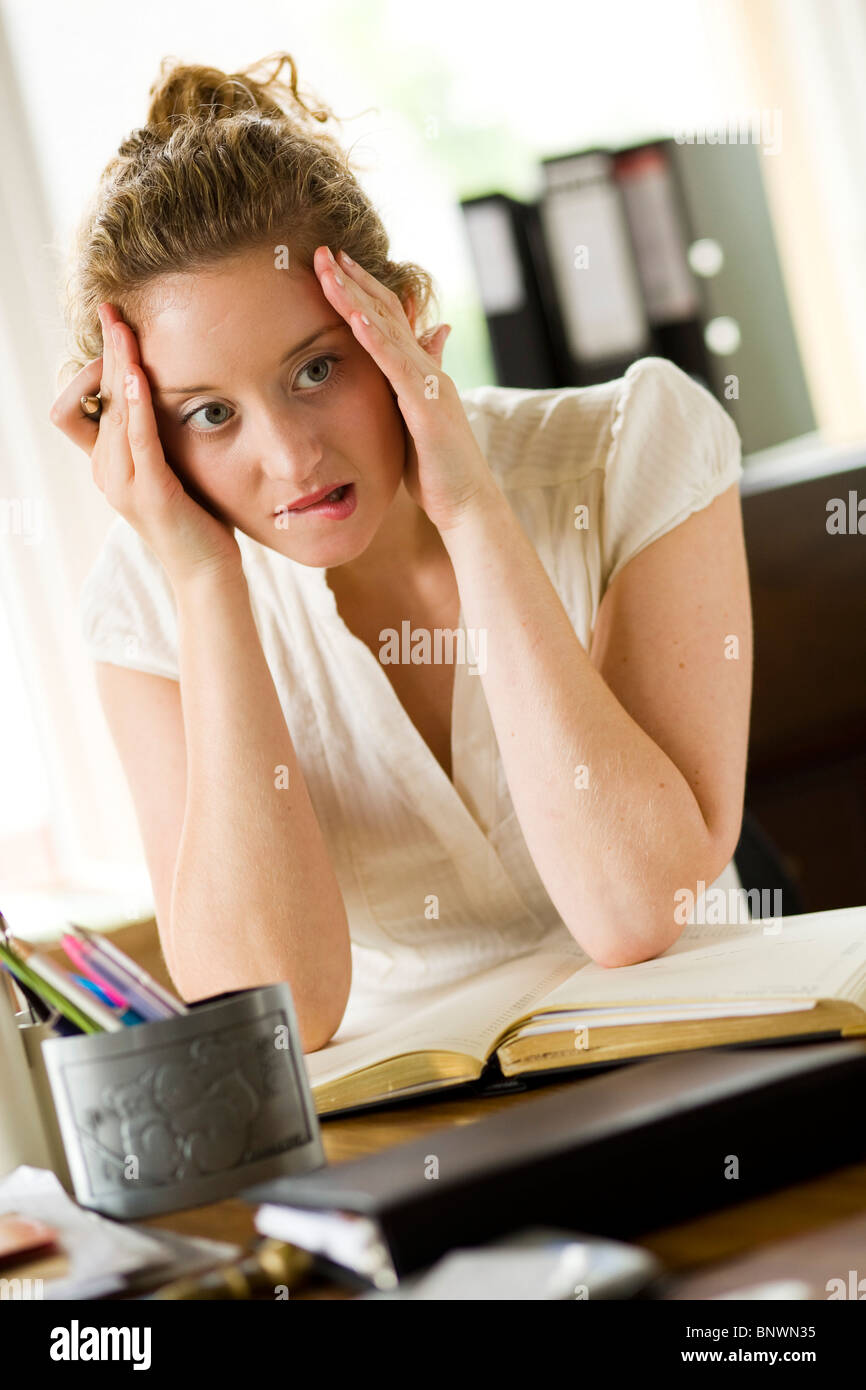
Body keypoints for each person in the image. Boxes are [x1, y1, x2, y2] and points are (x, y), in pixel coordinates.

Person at [49, 53, 752, 1054]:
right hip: (414, 1140)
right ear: (139, 436)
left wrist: (470, 509)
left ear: (397, 315)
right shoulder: (144, 604)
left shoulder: (632, 449)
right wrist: (206, 586)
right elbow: (274, 1011)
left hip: (716, 1058)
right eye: (207, 414)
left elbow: (636, 913)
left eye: (316, 367)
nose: (289, 456)